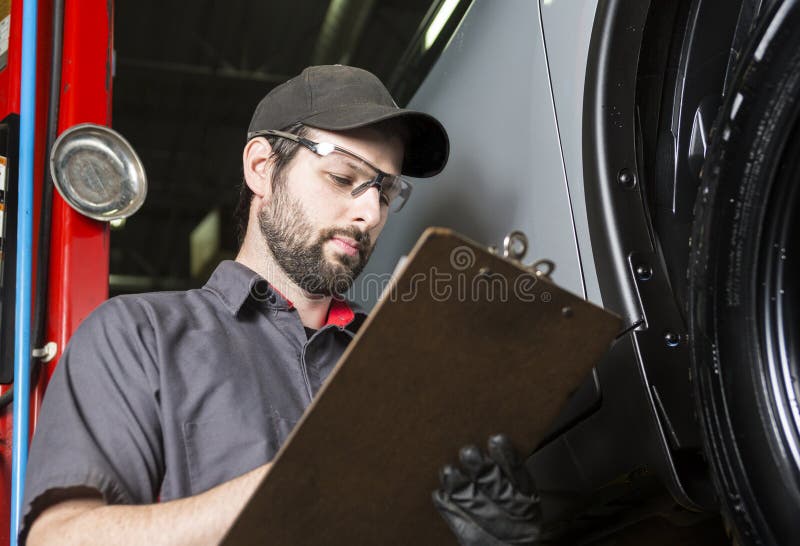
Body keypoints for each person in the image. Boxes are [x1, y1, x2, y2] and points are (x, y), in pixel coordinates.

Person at [21, 65, 540, 545]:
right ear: (262, 167)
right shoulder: (140, 336)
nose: (369, 212)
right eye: (343, 177)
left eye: (385, 191)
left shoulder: (400, 360)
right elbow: (58, 538)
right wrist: (305, 475)